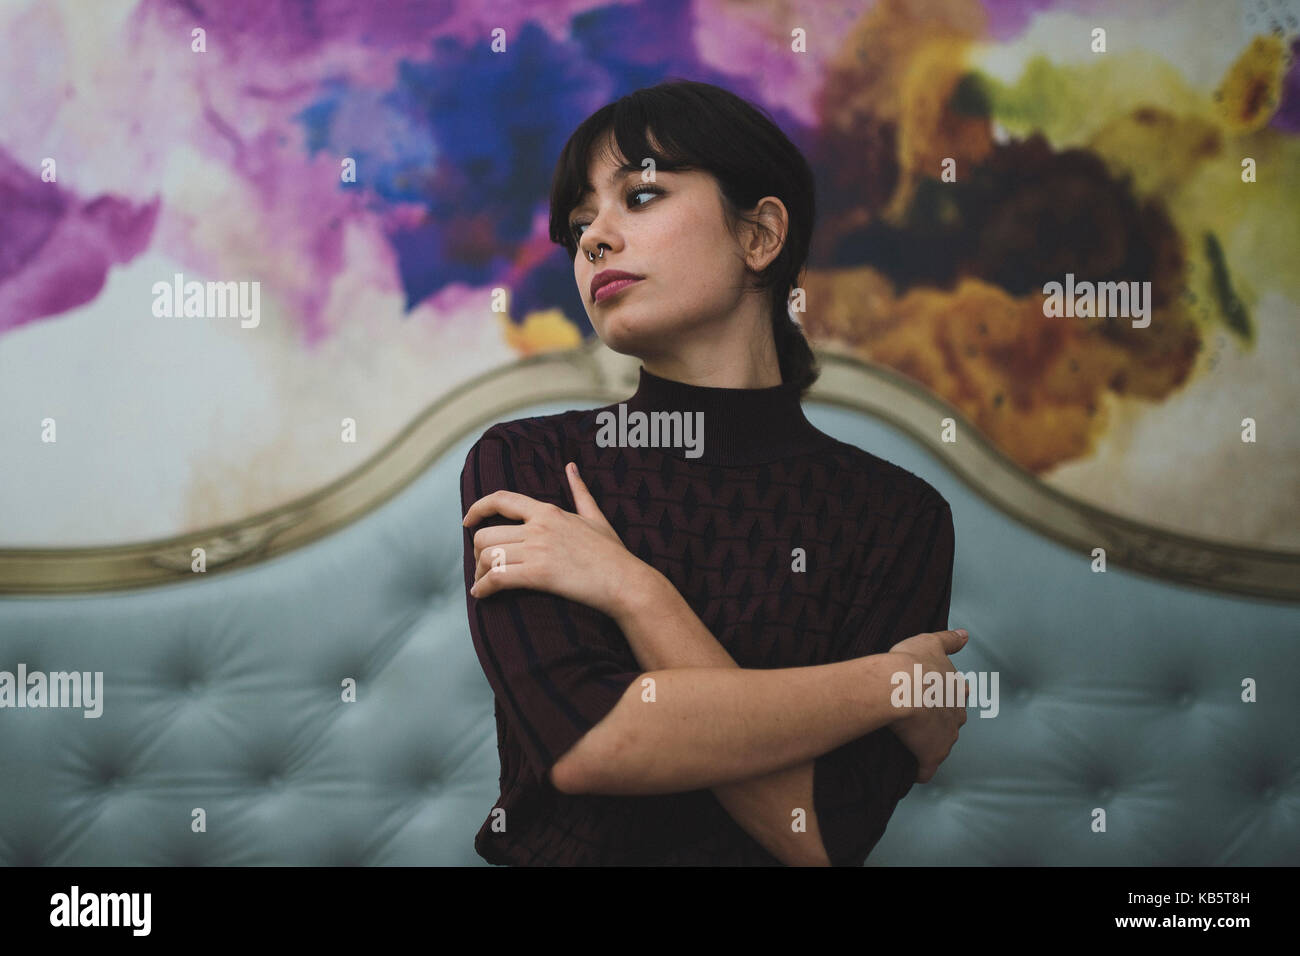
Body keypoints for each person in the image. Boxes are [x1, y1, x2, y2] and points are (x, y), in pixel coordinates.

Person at [460, 79, 968, 866]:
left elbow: (818, 835)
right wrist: (890, 685)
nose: (594, 239)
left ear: (760, 236)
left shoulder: (898, 516)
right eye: (580, 223)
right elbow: (598, 745)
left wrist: (633, 590)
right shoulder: (527, 467)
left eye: (643, 194)